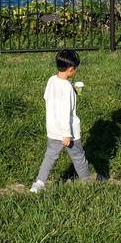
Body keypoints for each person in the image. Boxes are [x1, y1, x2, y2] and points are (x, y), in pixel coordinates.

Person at [30, 49, 92, 192]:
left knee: (50, 157)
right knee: (78, 157)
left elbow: (47, 97)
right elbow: (65, 112)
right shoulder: (67, 88)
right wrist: (66, 133)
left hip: (52, 129)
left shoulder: (52, 80)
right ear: (71, 69)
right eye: (75, 69)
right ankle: (87, 182)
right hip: (69, 132)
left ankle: (39, 183)